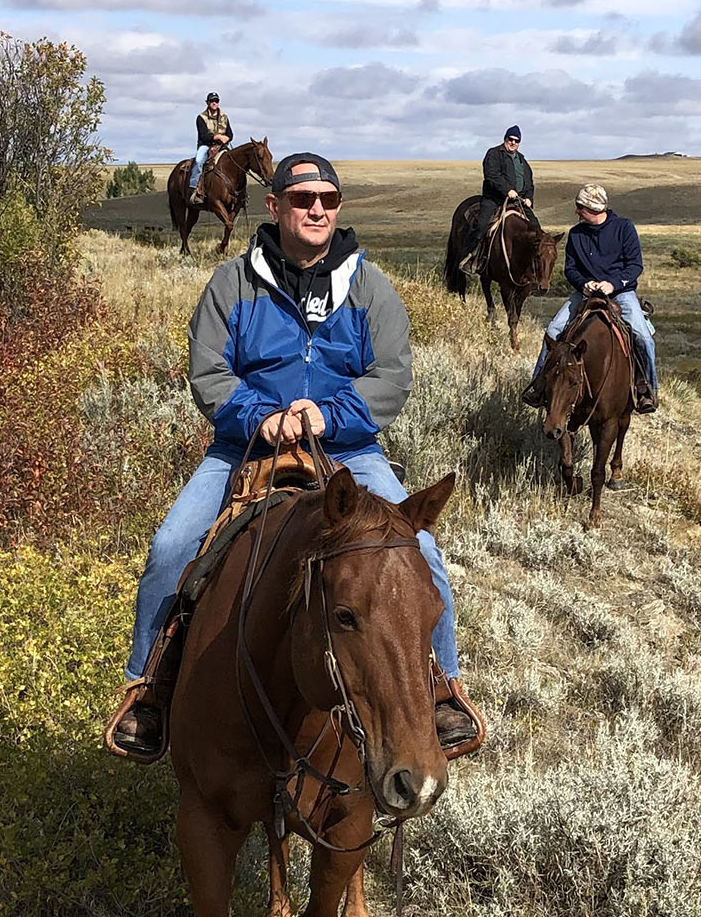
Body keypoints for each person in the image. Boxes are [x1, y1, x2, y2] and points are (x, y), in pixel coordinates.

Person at [106, 151, 485, 764]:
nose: (317, 209)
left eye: (328, 201)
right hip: (245, 446)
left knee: (424, 553)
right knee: (173, 547)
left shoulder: (369, 287)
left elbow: (390, 376)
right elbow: (210, 371)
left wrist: (327, 415)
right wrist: (261, 415)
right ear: (275, 205)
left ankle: (442, 687)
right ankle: (150, 690)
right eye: (304, 199)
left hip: (346, 449)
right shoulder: (233, 283)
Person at [522, 184, 658, 416]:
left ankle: (647, 390)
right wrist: (583, 283)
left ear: (593, 209)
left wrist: (613, 284)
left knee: (642, 335)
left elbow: (635, 265)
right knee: (553, 330)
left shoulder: (624, 228)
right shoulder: (576, 234)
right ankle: (539, 385)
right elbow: (570, 269)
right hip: (585, 293)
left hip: (620, 293)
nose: (576, 211)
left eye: (580, 207)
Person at [459, 124, 535, 272]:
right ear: (505, 138)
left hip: (518, 201)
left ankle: (531, 265)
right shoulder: (493, 154)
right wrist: (507, 190)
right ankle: (468, 257)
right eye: (510, 139)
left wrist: (529, 198)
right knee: (481, 225)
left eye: (516, 140)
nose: (513, 142)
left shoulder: (522, 160)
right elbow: (492, 175)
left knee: (536, 228)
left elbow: (529, 182)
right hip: (494, 199)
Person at [189, 92, 232, 198]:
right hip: (206, 145)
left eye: (216, 101)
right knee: (199, 160)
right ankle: (194, 188)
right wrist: (217, 137)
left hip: (221, 146)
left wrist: (227, 138)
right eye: (212, 101)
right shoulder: (201, 118)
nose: (214, 103)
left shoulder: (224, 117)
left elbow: (230, 133)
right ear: (207, 102)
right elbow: (203, 136)